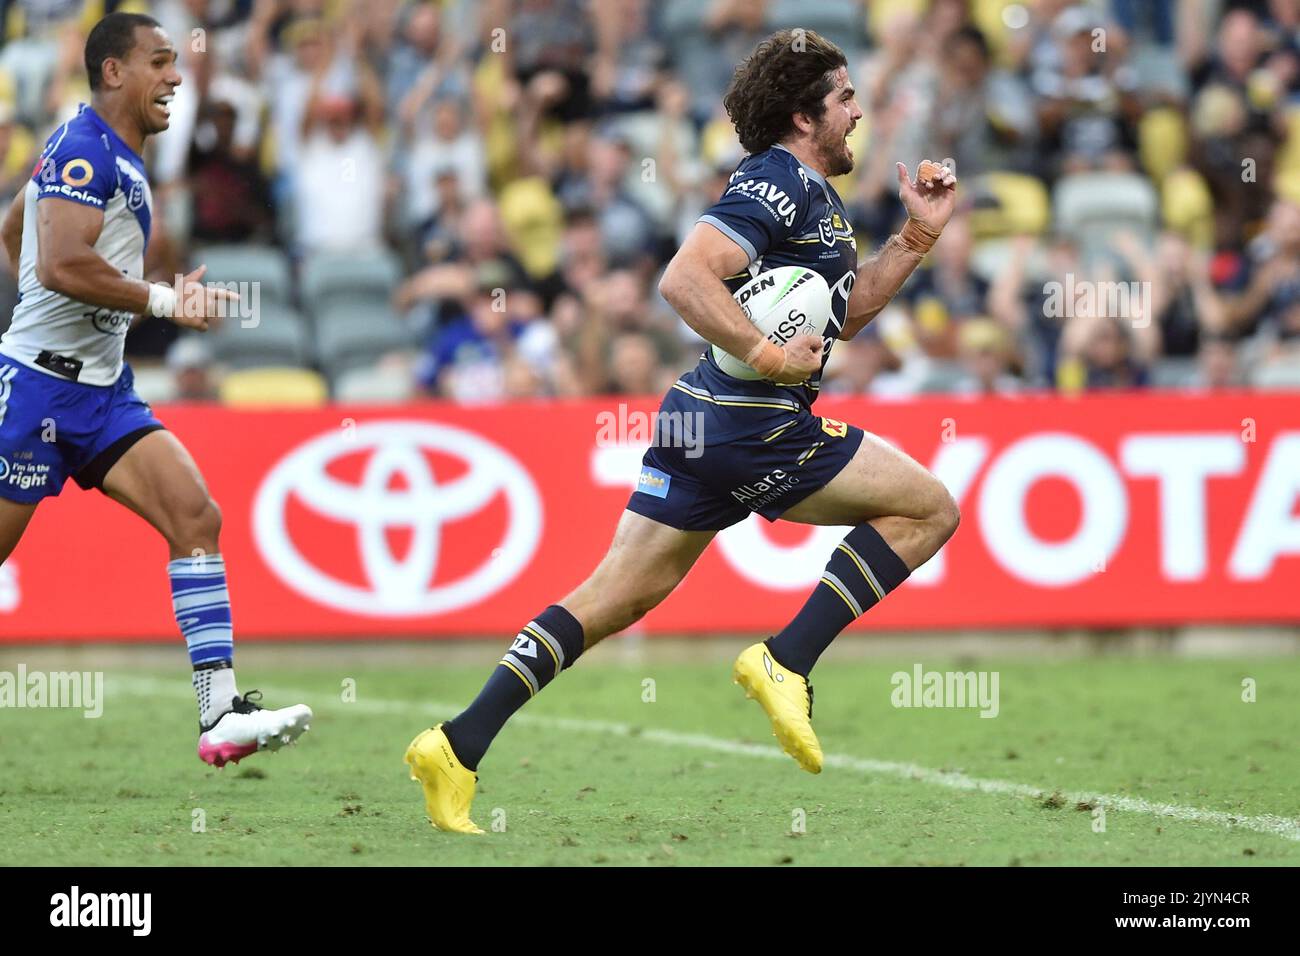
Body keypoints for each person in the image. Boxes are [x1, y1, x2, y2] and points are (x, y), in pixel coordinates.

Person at [405, 28, 960, 833]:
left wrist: (917, 237)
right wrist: (768, 354)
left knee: (612, 597)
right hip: (753, 421)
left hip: (701, 415)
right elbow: (683, 276)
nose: (859, 111)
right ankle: (787, 660)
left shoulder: (814, 197)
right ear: (804, 118)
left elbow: (846, 314)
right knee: (929, 509)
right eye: (844, 99)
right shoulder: (778, 182)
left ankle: (455, 746)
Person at [0, 13, 310, 768]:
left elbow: (15, 232)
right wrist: (163, 300)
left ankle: (222, 714)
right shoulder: (84, 149)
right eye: (160, 62)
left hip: (103, 392)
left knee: (196, 515)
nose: (175, 76)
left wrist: (75, 308)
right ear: (115, 72)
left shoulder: (108, 153)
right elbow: (60, 261)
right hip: (41, 391)